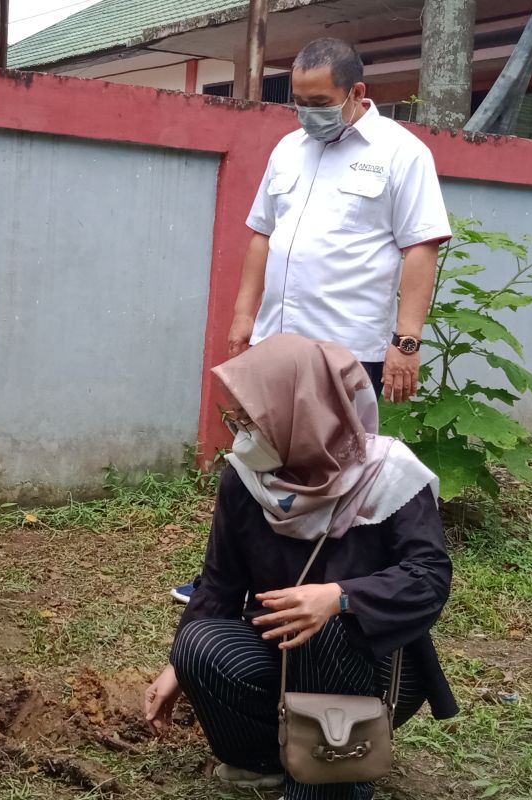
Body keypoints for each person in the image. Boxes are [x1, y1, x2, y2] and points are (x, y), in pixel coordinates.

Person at [171, 37, 451, 604]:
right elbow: (261, 235)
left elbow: (420, 247)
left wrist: (406, 341)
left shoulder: (402, 153)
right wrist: (243, 316)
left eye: (320, 100)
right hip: (279, 351)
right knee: (255, 461)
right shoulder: (287, 150)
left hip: (346, 353)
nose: (307, 113)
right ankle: (230, 580)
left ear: (357, 94)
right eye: (298, 100)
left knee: (341, 471)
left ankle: (325, 584)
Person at [144, 335, 457, 800]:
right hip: (282, 656)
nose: (240, 433)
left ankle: (332, 780)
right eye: (236, 419)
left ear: (300, 411)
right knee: (199, 645)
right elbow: (220, 583)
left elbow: (429, 578)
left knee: (317, 622)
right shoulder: (245, 479)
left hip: (375, 662)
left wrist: (339, 598)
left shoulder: (387, 474)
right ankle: (272, 761)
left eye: (251, 420)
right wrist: (178, 667)